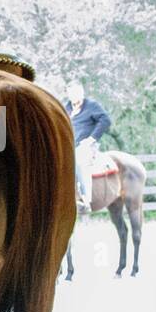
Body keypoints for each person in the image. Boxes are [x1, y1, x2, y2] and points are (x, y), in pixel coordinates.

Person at [63, 80, 112, 213]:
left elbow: (106, 120)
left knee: (80, 161)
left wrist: (91, 138)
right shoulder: (65, 107)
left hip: (86, 145)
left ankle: (86, 199)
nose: (75, 96)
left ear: (82, 93)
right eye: (72, 93)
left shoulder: (91, 106)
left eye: (77, 93)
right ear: (68, 94)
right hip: (68, 145)